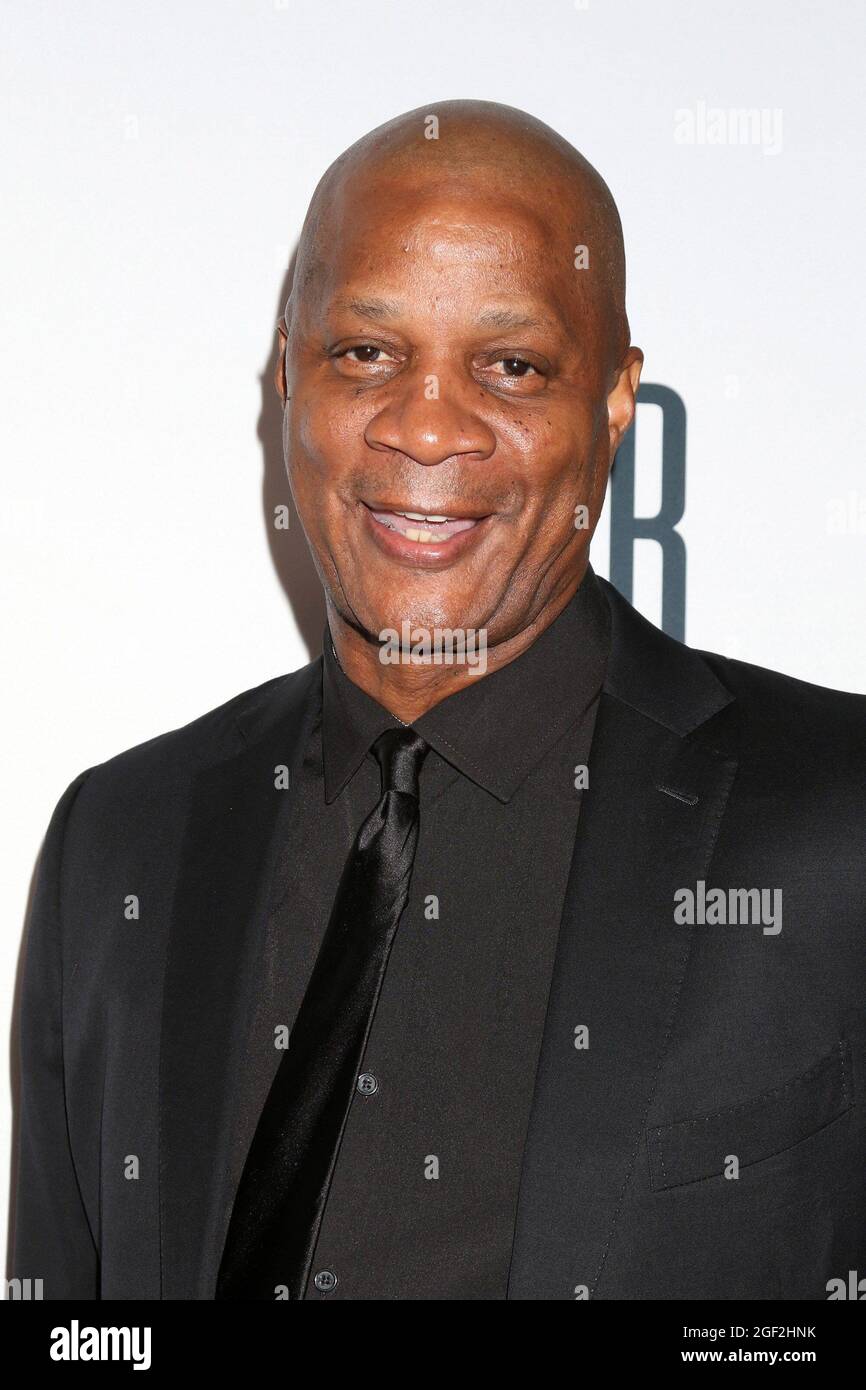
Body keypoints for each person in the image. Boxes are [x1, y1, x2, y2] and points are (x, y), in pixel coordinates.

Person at [12, 99, 866, 1301]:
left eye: (510, 366)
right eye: (366, 351)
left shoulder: (835, 819)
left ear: (616, 399)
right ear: (287, 373)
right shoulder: (123, 835)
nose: (423, 427)